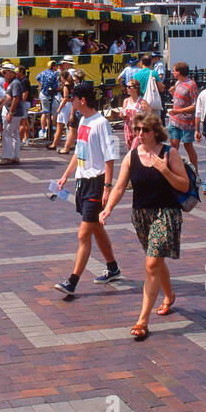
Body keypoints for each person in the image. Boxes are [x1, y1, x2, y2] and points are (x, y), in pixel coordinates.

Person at [100, 111, 191, 340]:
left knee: (151, 263)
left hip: (166, 213)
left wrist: (164, 169)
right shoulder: (132, 156)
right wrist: (108, 208)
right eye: (137, 129)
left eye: (145, 130)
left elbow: (184, 185)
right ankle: (169, 295)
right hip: (141, 215)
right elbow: (120, 187)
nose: (140, 134)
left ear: (155, 131)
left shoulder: (169, 153)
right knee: (155, 260)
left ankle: (142, 320)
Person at [53, 81, 121, 297]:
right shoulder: (83, 120)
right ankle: (113, 268)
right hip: (82, 182)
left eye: (72, 98)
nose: (70, 101)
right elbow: (78, 153)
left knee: (84, 234)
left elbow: (110, 157)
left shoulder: (101, 123)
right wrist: (65, 176)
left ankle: (72, 281)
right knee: (96, 228)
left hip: (97, 182)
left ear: (82, 100)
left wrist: (108, 188)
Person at [166, 62, 199, 171]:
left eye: (174, 70)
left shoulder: (191, 84)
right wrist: (172, 93)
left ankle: (195, 172)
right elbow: (180, 99)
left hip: (187, 122)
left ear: (179, 72)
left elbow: (195, 105)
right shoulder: (177, 83)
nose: (173, 72)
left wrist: (178, 111)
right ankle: (173, 170)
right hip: (174, 121)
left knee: (188, 146)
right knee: (173, 146)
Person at [0, 63, 25, 162]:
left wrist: (10, 113)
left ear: (11, 73)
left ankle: (7, 157)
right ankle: (15, 156)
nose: (4, 75)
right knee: (14, 133)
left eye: (5, 72)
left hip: (14, 112)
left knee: (7, 133)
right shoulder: (13, 83)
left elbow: (16, 98)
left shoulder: (15, 83)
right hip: (15, 111)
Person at [36, 59, 61, 143]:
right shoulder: (54, 75)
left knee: (44, 112)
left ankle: (43, 130)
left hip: (42, 94)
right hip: (49, 95)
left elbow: (37, 78)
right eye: (56, 66)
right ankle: (51, 129)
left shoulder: (43, 72)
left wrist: (42, 86)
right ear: (54, 66)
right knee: (54, 112)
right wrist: (63, 87)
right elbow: (55, 87)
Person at [121, 79, 145, 150]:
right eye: (126, 86)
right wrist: (122, 115)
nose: (127, 88)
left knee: (133, 150)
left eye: (129, 87)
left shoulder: (142, 102)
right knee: (130, 150)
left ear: (136, 88)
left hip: (138, 130)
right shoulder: (126, 101)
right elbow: (122, 114)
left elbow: (150, 116)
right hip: (128, 129)